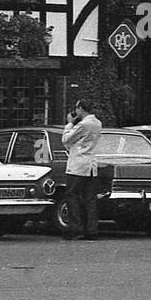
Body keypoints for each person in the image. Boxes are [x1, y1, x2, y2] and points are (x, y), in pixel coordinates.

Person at [62, 99, 103, 240]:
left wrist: (69, 123)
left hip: (78, 164)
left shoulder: (82, 124)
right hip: (91, 164)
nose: (76, 111)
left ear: (80, 108)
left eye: (76, 108)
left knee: (72, 195)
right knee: (89, 198)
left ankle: (76, 229)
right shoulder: (97, 123)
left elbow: (66, 139)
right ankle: (92, 230)